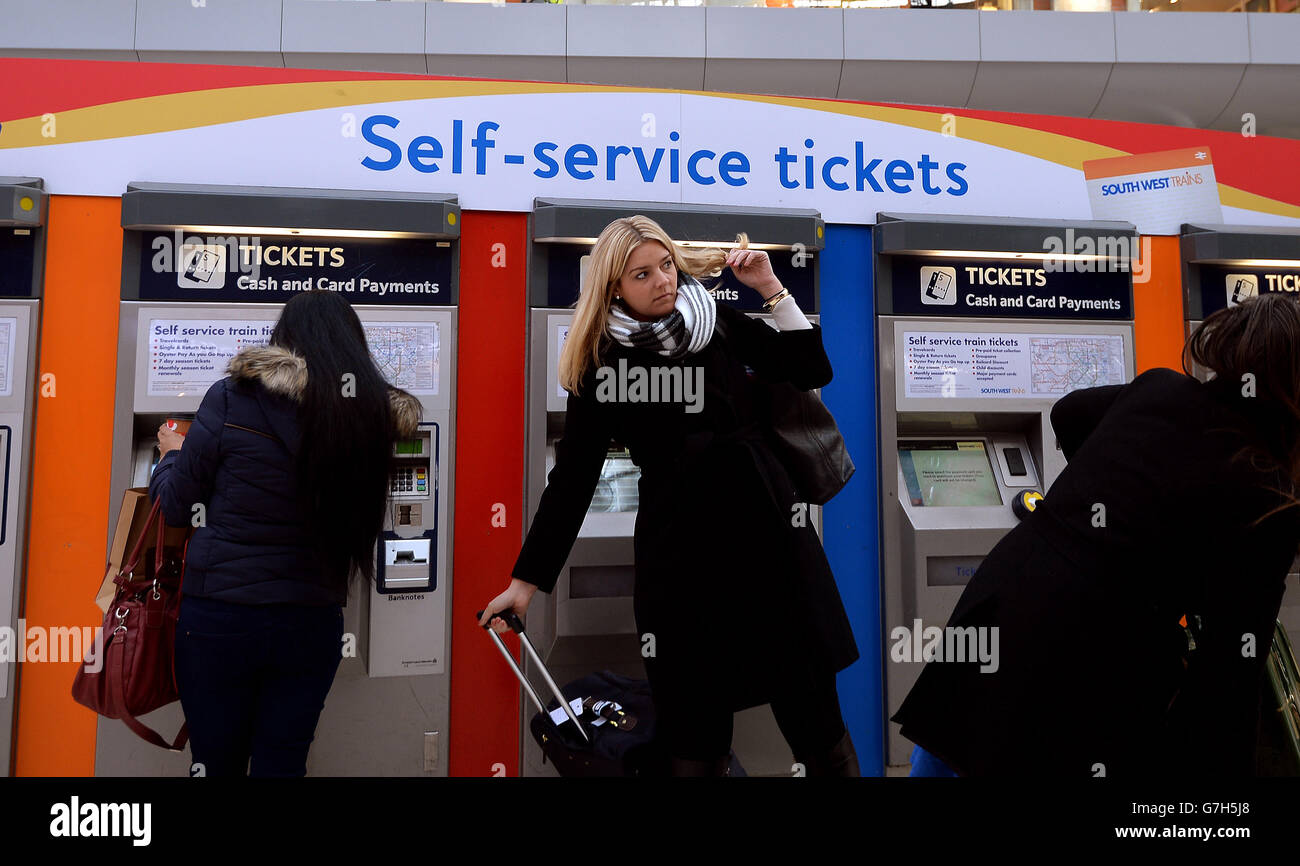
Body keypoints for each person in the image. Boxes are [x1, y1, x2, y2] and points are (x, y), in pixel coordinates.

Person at [480, 215, 861, 776]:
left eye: (666, 266)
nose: (662, 281)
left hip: (772, 541)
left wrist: (769, 289)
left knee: (817, 722)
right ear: (614, 287)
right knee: (695, 735)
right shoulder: (603, 365)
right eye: (642, 274)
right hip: (682, 561)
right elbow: (573, 479)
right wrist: (525, 581)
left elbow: (810, 366)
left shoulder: (718, 323)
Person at [894, 293, 1300, 777]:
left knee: (949, 752)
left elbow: (1068, 412)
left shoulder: (1160, 391)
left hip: (1001, 603)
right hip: (1089, 670)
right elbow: (1229, 675)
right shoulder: (1270, 497)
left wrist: (1095, 498)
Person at [150, 290, 421, 777]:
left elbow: (176, 506)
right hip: (309, 624)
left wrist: (171, 455)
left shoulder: (232, 396)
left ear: (285, 340)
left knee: (214, 762)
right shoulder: (367, 417)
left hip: (220, 619)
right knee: (283, 764)